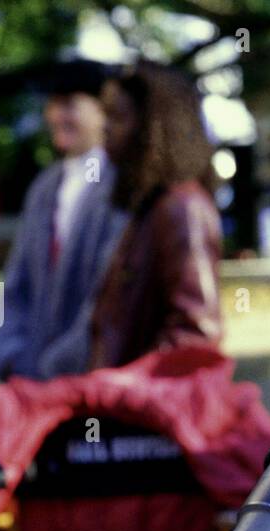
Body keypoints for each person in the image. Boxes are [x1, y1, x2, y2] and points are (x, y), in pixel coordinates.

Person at [41, 63, 221, 376]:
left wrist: (123, 386)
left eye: (117, 117)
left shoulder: (182, 209)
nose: (105, 127)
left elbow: (197, 336)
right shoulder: (147, 208)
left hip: (142, 417)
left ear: (154, 126)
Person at [0, 60, 126, 381]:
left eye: (68, 105)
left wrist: (56, 369)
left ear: (102, 109)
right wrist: (10, 356)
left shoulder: (122, 185)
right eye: (52, 105)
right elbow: (15, 285)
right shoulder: (44, 186)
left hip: (94, 381)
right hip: (32, 380)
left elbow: (107, 298)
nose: (54, 116)